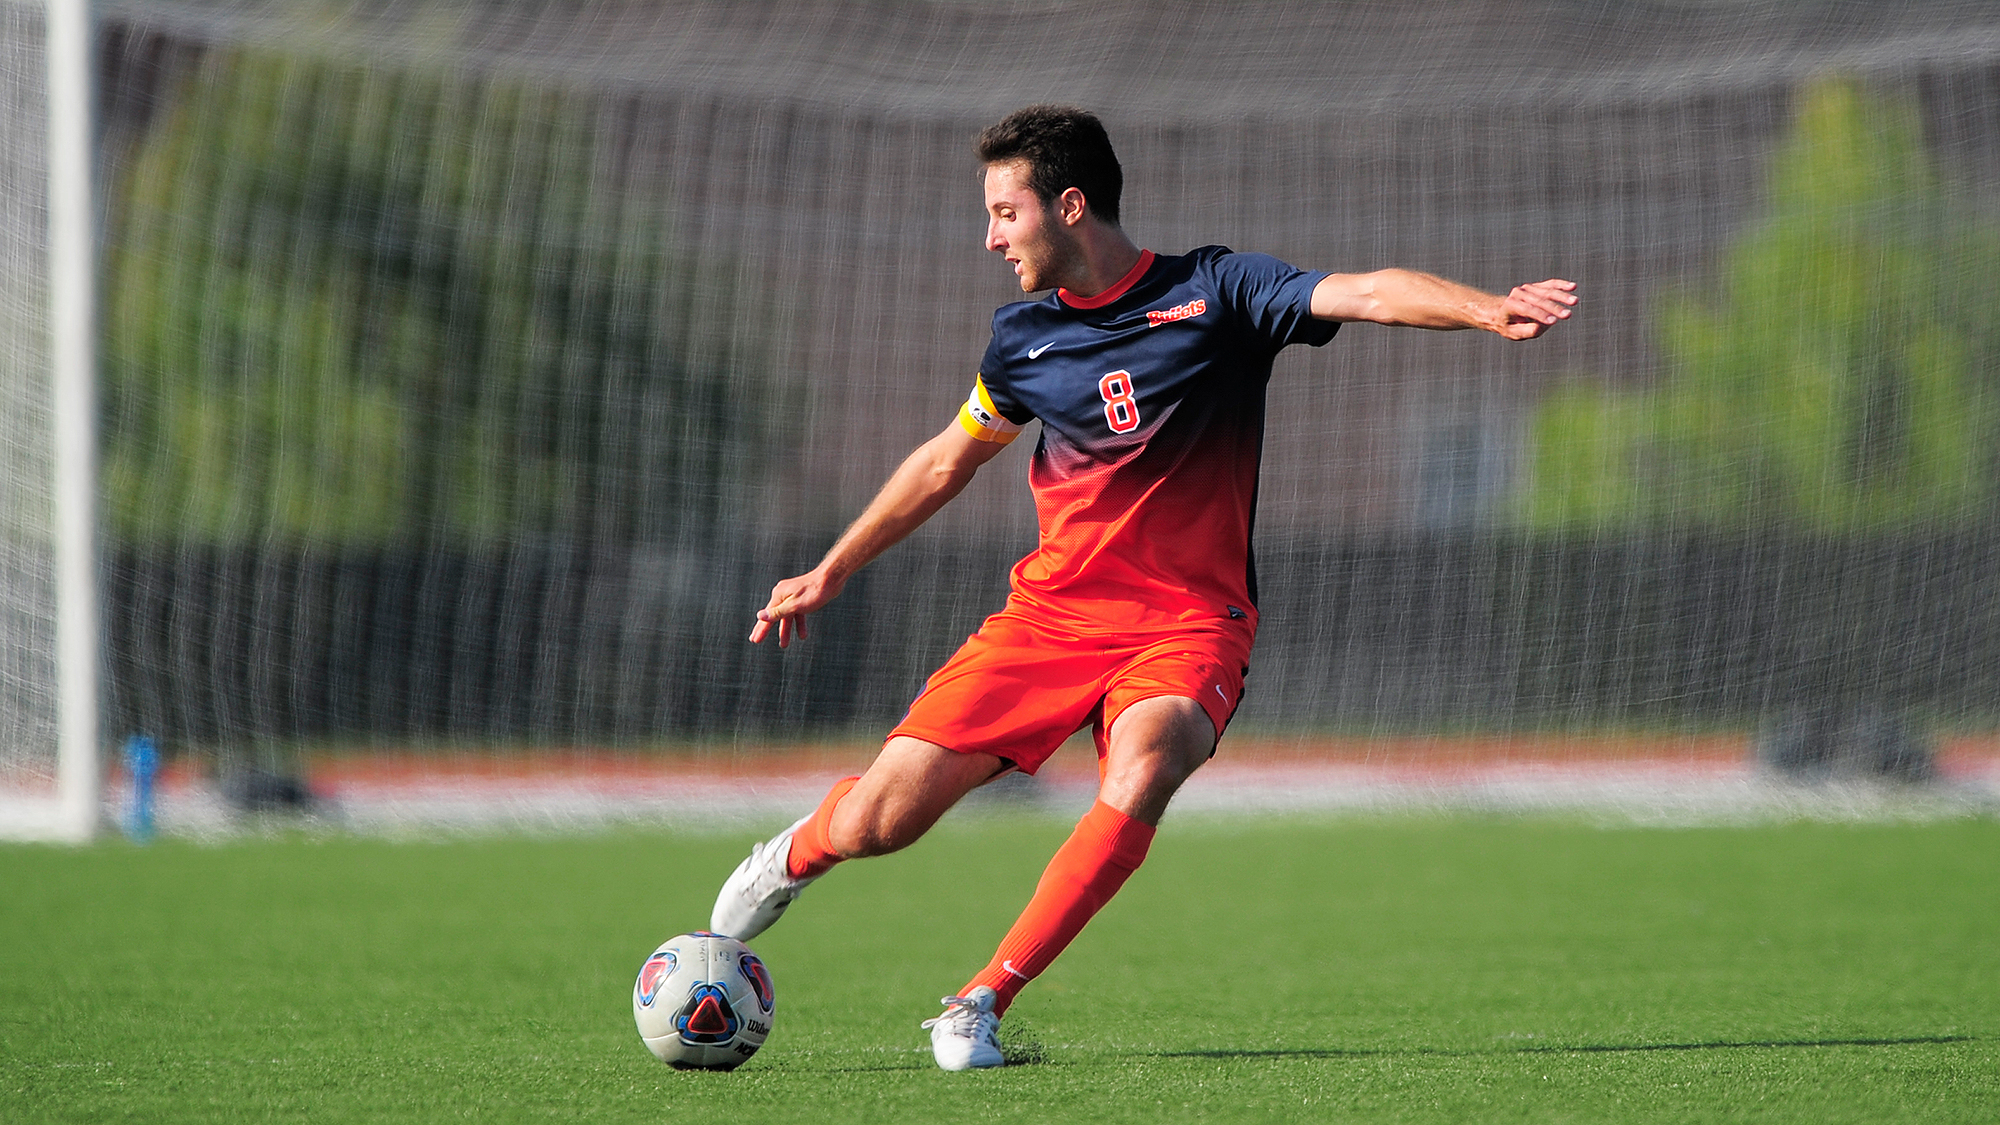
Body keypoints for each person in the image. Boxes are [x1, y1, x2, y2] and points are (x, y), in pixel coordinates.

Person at [710, 105, 1577, 1070]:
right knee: (883, 820)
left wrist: (1485, 309)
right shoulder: (1023, 338)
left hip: (1189, 625)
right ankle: (795, 852)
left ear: (1070, 206)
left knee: (1149, 757)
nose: (991, 237)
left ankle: (979, 1002)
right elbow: (946, 461)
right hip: (1049, 619)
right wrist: (831, 567)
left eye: (1006, 212)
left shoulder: (1219, 291)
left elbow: (1367, 290)